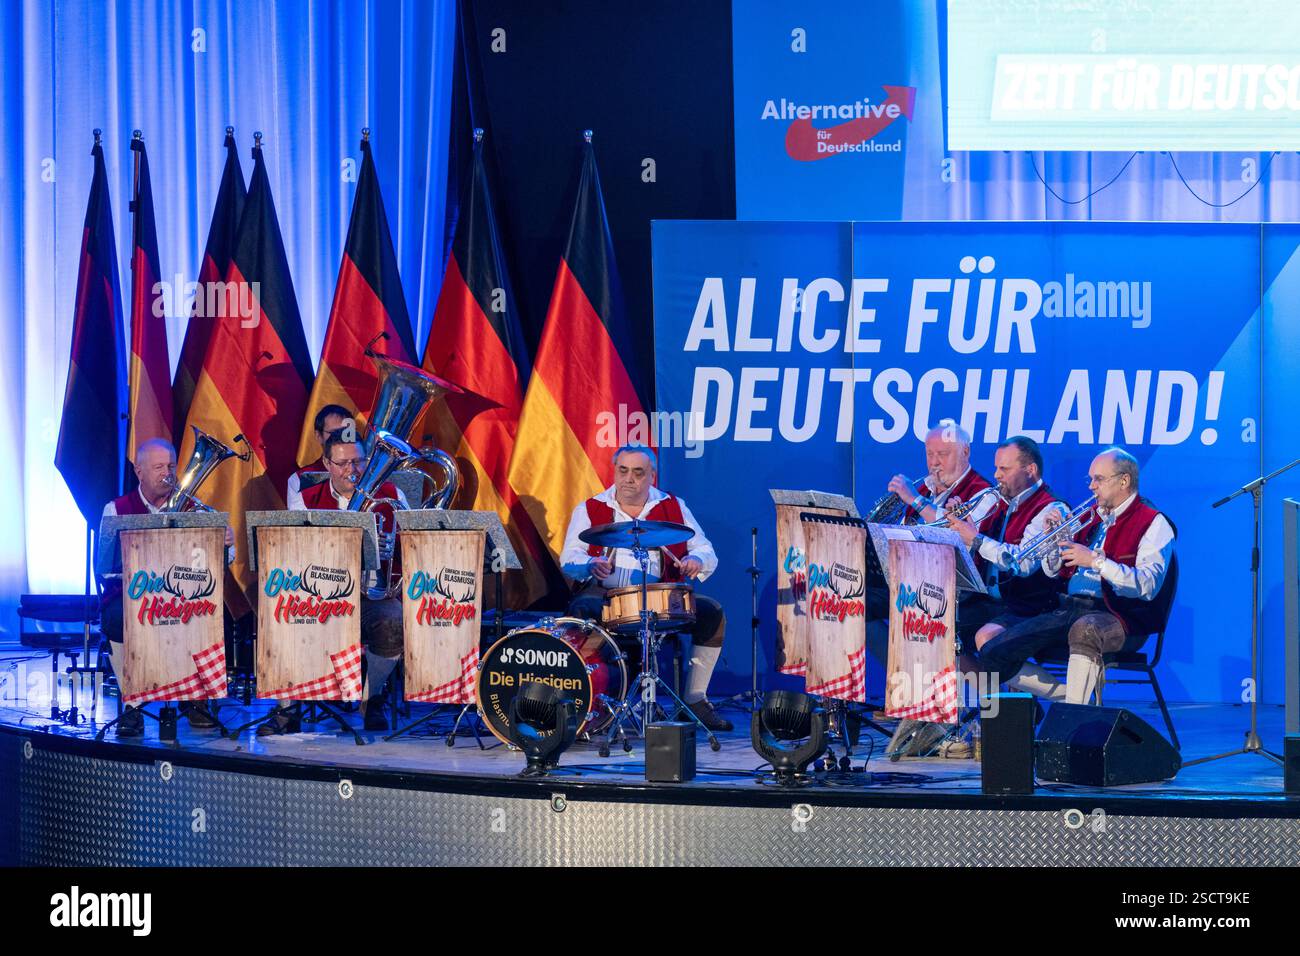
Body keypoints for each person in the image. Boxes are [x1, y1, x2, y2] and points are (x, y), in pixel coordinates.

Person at [975, 447, 1177, 706]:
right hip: (1070, 608)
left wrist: (1095, 560)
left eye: (1099, 479)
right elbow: (1052, 571)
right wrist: (1057, 545)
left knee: (1086, 629)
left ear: (1124, 480)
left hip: (1121, 617)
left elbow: (1147, 585)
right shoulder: (1091, 517)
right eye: (1089, 479)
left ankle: (1073, 716)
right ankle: (1071, 701)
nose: (1091, 486)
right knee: (994, 653)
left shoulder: (1153, 522)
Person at [560, 444, 732, 732]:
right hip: (606, 596)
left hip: (658, 597)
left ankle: (694, 699)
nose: (629, 479)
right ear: (614, 471)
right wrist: (590, 565)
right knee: (580, 610)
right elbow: (570, 558)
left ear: (652, 475)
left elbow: (705, 550)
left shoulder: (673, 505)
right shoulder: (590, 508)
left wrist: (695, 559)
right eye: (623, 471)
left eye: (638, 473)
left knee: (711, 612)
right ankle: (588, 699)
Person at [100, 438, 234, 736]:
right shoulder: (117, 509)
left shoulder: (195, 511)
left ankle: (196, 699)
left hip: (180, 594)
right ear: (139, 471)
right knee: (115, 618)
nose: (168, 474)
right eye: (159, 467)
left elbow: (221, 563)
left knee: (208, 612)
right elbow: (107, 568)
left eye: (171, 466)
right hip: (134, 595)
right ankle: (132, 706)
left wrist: (225, 544)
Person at [275, 433, 406, 733]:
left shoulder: (392, 495)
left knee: (393, 621)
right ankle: (288, 709)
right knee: (281, 613)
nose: (353, 470)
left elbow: (413, 543)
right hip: (320, 594)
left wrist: (391, 545)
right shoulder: (306, 495)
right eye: (343, 462)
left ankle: (372, 698)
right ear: (327, 464)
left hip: (371, 595)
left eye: (359, 461)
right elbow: (298, 544)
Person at [287, 404, 354, 510]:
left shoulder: (369, 477)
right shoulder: (300, 481)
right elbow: (300, 526)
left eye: (346, 432)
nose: (340, 438)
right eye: (333, 433)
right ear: (319, 436)